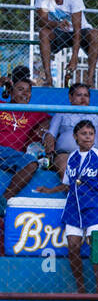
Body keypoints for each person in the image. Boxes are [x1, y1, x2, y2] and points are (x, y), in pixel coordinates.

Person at [33, 120, 98, 294]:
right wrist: (49, 190)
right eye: (83, 134)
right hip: (73, 207)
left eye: (91, 134)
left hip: (96, 206)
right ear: (75, 137)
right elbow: (67, 185)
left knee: (96, 248)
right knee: (72, 247)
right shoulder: (72, 157)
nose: (88, 137)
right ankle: (81, 287)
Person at [33, 0, 98, 87]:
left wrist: (74, 57)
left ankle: (89, 80)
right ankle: (48, 80)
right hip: (58, 32)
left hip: (79, 31)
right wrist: (56, 24)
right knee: (43, 33)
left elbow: (77, 28)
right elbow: (41, 21)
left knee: (95, 34)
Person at [0, 77, 49, 213]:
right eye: (20, 89)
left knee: (32, 163)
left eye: (28, 91)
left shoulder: (33, 112)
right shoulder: (2, 105)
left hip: (15, 157)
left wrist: (45, 127)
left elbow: (54, 119)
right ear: (10, 91)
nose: (25, 94)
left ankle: (3, 201)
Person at [43, 82, 98, 178]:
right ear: (70, 98)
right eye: (79, 95)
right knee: (64, 166)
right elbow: (51, 133)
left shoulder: (96, 116)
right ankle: (73, 192)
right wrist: (49, 140)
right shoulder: (62, 113)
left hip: (91, 154)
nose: (83, 99)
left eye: (86, 95)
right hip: (65, 154)